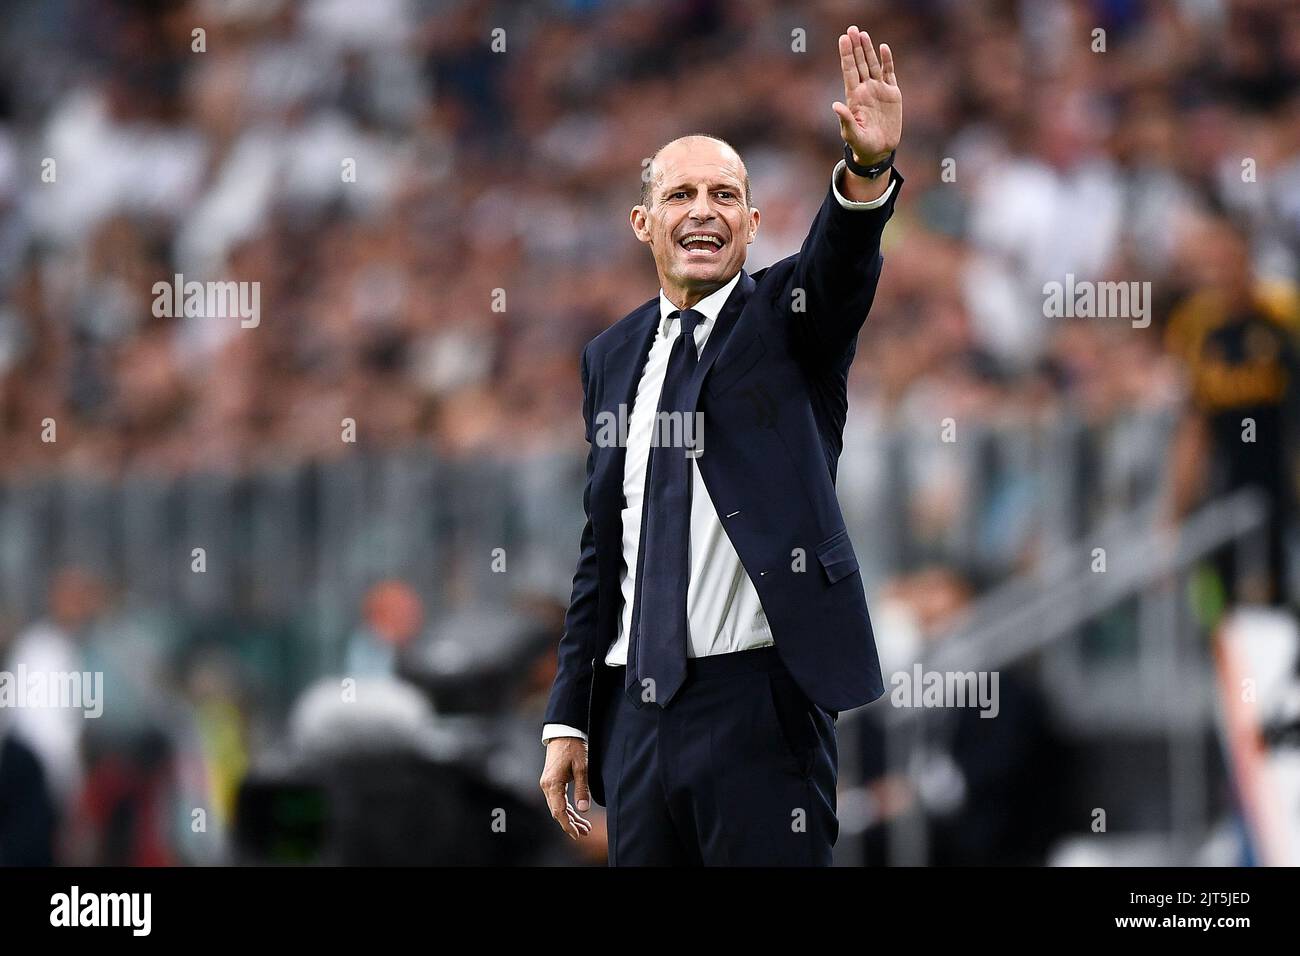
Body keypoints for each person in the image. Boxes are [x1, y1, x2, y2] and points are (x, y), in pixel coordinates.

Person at [538, 26, 904, 865]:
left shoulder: (789, 320)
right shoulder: (609, 357)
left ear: (751, 218)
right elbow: (606, 547)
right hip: (635, 717)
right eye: (680, 195)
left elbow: (841, 260)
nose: (703, 210)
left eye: (724, 194)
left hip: (759, 706)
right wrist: (570, 713)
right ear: (643, 221)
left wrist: (867, 172)